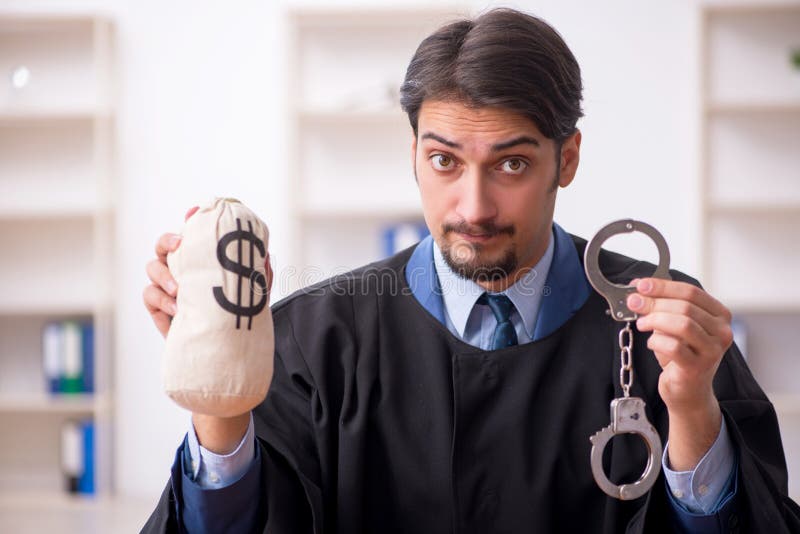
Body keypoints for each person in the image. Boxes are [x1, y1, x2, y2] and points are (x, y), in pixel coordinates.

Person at [141, 8, 799, 533]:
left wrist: (691, 414)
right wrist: (220, 414)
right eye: (445, 162)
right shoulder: (314, 340)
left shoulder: (664, 327)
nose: (474, 207)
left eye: (511, 164)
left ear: (566, 160)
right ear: (414, 156)